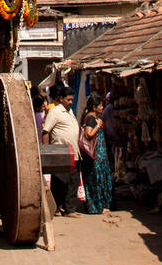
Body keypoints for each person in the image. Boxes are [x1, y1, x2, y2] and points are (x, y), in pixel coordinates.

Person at [42, 84, 81, 216]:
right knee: (60, 181)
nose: (70, 102)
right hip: (60, 152)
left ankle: (70, 209)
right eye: (68, 100)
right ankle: (56, 208)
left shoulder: (70, 111)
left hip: (73, 152)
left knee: (73, 181)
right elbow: (46, 131)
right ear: (60, 98)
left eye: (72, 100)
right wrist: (47, 152)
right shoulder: (55, 111)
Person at [80, 94, 114, 213]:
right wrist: (98, 126)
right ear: (94, 107)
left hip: (99, 155)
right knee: (96, 179)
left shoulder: (94, 117)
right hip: (96, 156)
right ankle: (97, 207)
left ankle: (100, 206)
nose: (102, 107)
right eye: (100, 105)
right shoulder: (90, 118)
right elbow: (88, 134)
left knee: (99, 179)